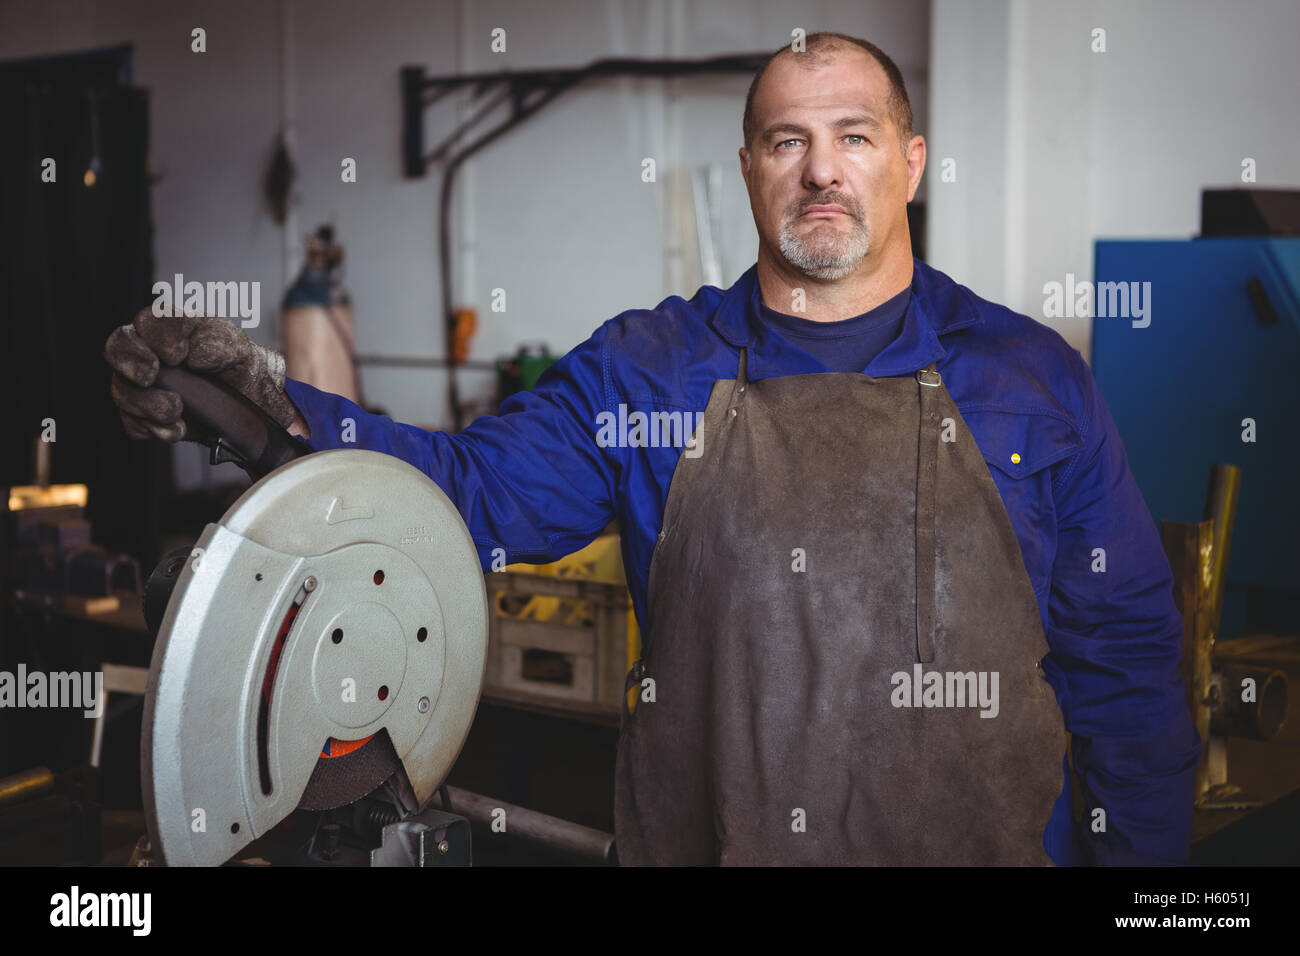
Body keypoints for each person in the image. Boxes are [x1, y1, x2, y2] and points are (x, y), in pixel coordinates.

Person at [105, 31, 1199, 866]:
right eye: (787, 142)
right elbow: (467, 493)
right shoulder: (652, 370)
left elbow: (1125, 661)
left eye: (852, 138)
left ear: (908, 163)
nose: (821, 172)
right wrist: (263, 413)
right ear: (749, 169)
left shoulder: (1029, 378)